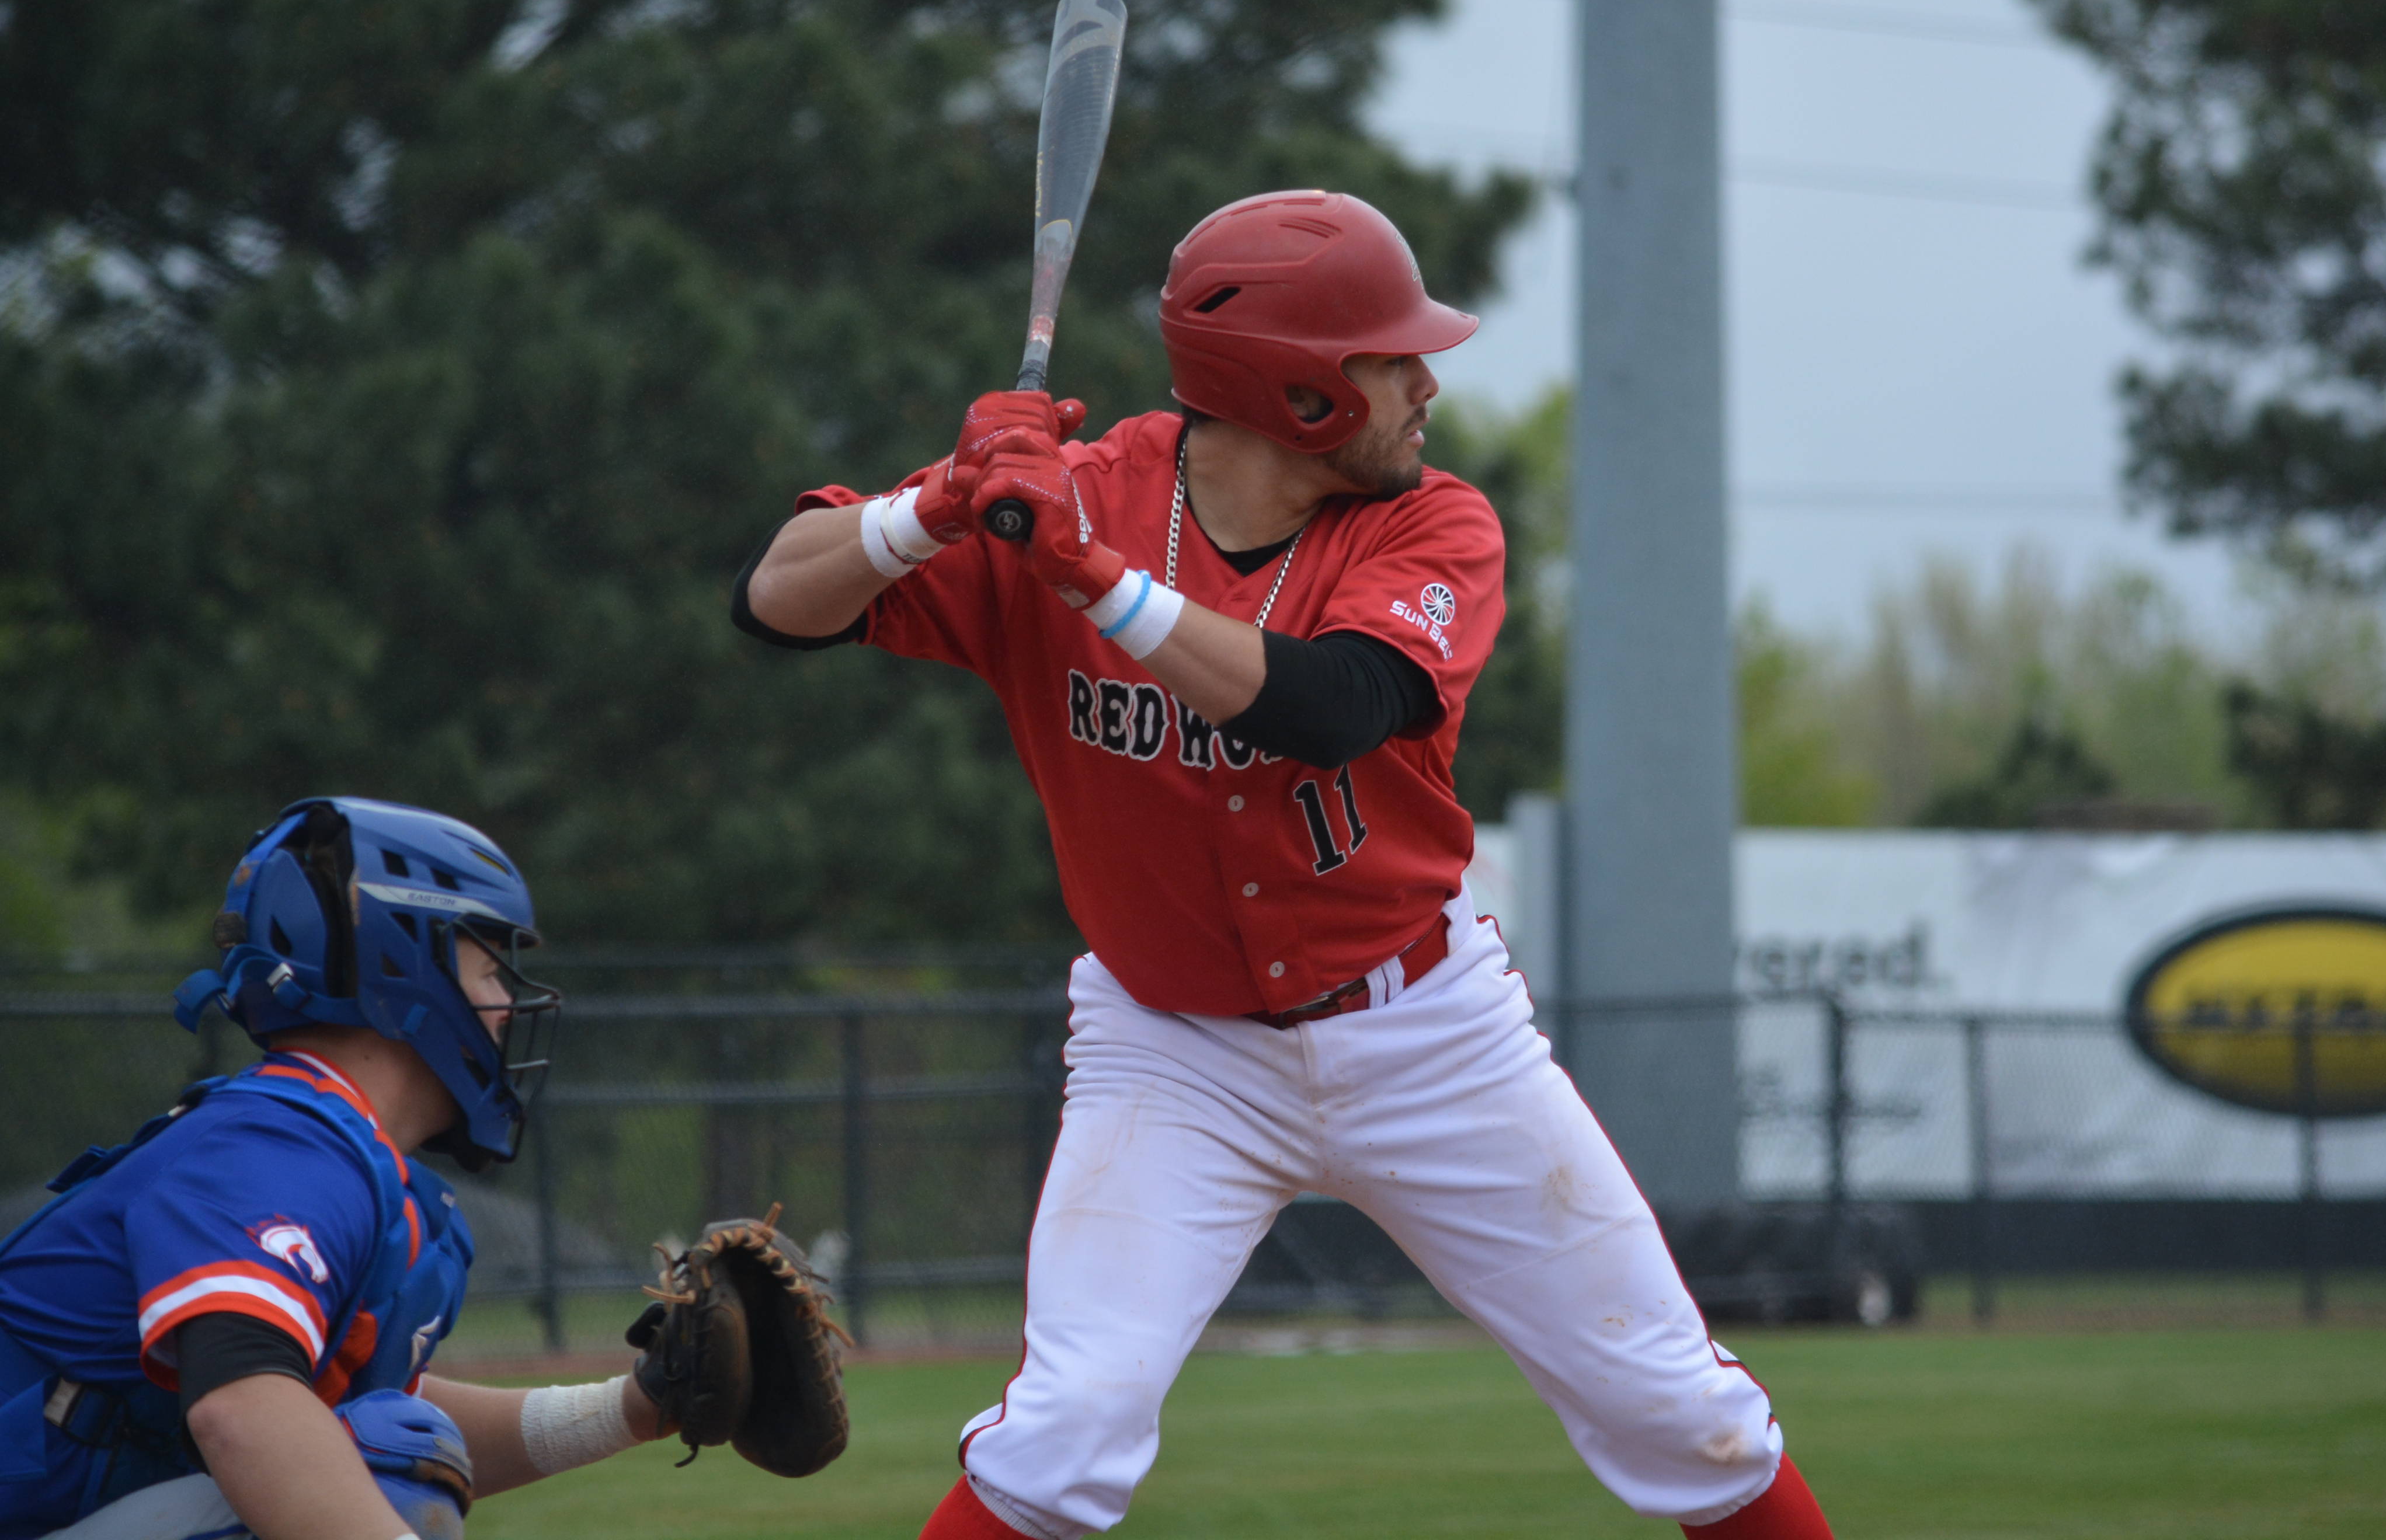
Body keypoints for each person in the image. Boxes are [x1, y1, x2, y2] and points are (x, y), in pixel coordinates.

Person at [739, 189, 1834, 1539]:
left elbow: (1328, 705)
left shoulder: (1430, 524)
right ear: (1300, 388)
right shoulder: (1078, 504)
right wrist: (934, 506)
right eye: (1391, 355)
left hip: (1425, 1027)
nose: (1426, 382)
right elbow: (774, 601)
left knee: (1686, 1414)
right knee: (1064, 1431)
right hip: (1172, 1045)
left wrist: (1096, 582)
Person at [0, 799, 671, 1540]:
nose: (509, 1005)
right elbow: (243, 1412)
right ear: (409, 966)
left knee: (389, 1440)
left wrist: (636, 1407)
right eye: (490, 971)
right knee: (380, 1463)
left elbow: (333, 1420)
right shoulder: (283, 1142)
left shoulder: (313, 1138)